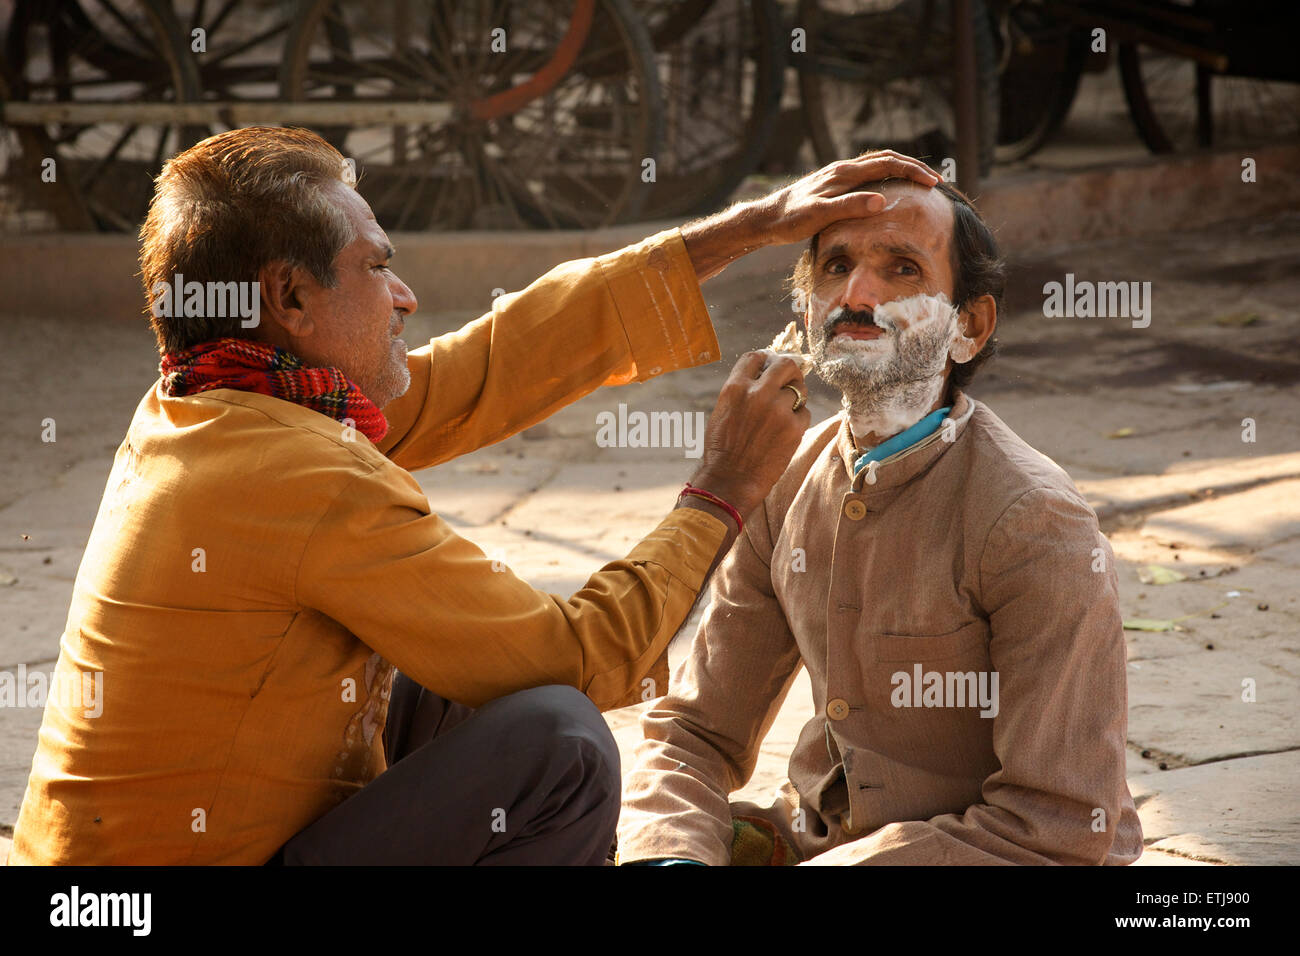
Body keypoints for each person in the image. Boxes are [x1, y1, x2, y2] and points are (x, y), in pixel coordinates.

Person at [7, 127, 944, 865]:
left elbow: (495, 365)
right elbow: (583, 657)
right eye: (377, 267)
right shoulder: (301, 470)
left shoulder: (217, 398)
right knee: (560, 743)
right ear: (289, 299)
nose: (405, 295)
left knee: (463, 675)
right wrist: (725, 489)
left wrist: (749, 226)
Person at [617, 176, 1145, 865]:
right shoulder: (784, 477)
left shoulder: (1034, 519)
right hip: (816, 839)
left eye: (902, 269)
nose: (857, 296)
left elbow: (1058, 823)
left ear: (969, 327)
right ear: (807, 306)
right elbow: (694, 736)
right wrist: (671, 857)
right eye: (837, 266)